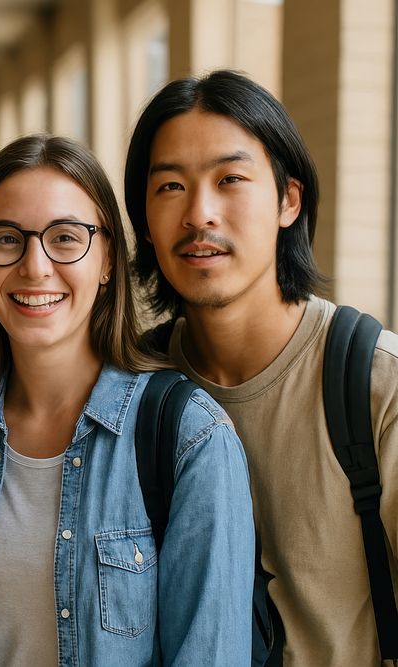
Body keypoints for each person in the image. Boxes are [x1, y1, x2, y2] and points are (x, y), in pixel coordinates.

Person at [0, 134, 255, 665]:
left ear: (108, 260)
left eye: (66, 238)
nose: (35, 266)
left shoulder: (191, 437)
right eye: (6, 239)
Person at [123, 69, 398, 666]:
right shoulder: (128, 392)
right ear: (143, 218)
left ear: (288, 201)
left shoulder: (376, 385)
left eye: (231, 180)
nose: (200, 214)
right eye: (170, 186)